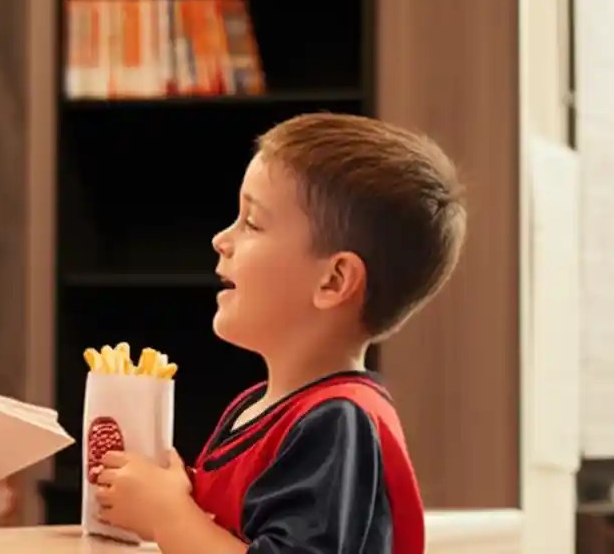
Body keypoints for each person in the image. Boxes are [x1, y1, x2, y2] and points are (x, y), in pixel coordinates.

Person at [92, 112, 466, 554]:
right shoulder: (255, 407)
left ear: (333, 281)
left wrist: (169, 516)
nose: (220, 239)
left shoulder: (337, 423)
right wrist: (176, 494)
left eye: (251, 222)